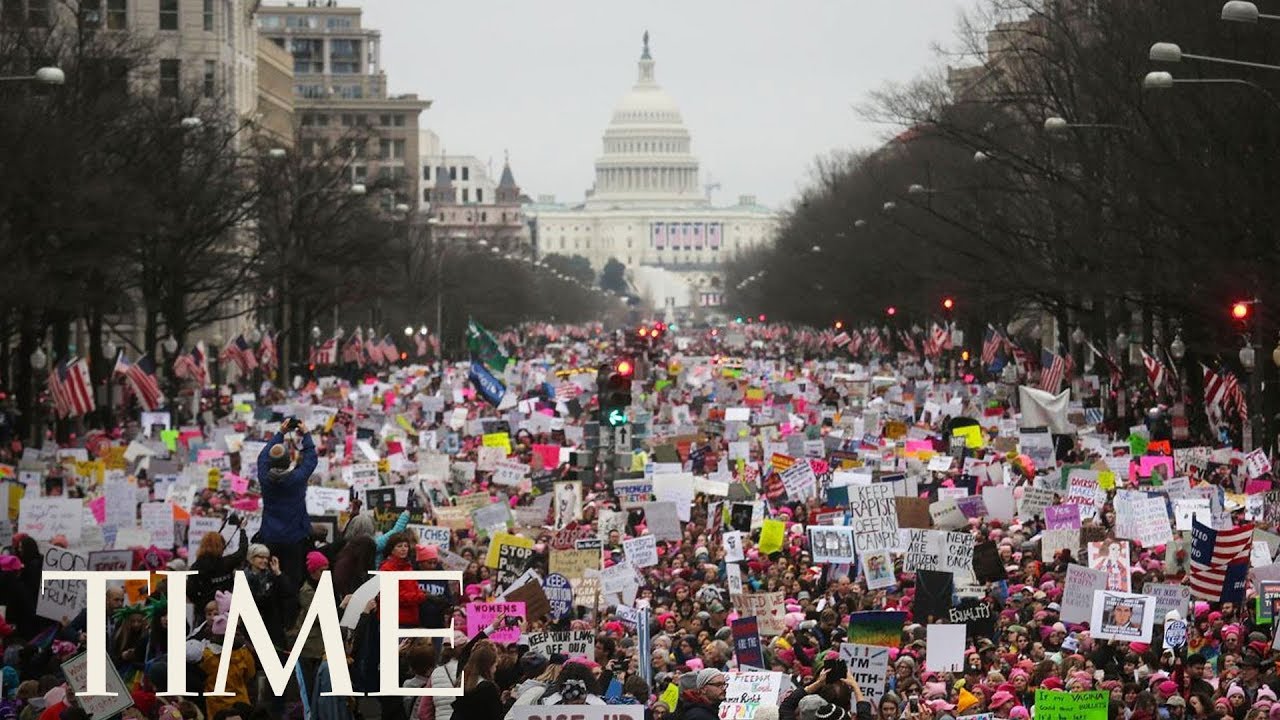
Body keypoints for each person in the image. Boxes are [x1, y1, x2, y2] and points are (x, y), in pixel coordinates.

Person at [257, 417, 318, 585]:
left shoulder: (264, 478)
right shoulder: (297, 479)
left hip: (270, 535)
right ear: (288, 461)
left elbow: (262, 458)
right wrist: (306, 434)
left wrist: (280, 433)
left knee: (270, 579)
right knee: (292, 580)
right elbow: (311, 460)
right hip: (294, 538)